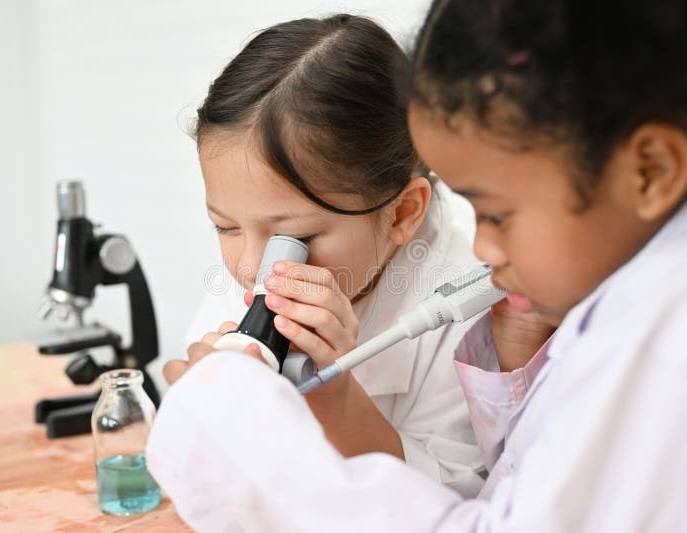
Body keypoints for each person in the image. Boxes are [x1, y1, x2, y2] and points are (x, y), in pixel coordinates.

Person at [148, 0, 687, 531]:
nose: (486, 253)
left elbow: (465, 496)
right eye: (224, 227)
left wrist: (241, 437)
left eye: (495, 213)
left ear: (649, 169)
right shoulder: (669, 288)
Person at [164, 14, 551, 497]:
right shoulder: (250, 267)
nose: (250, 267)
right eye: (225, 226)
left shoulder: (461, 302)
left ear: (402, 214)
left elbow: (454, 498)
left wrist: (336, 395)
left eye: (295, 238)